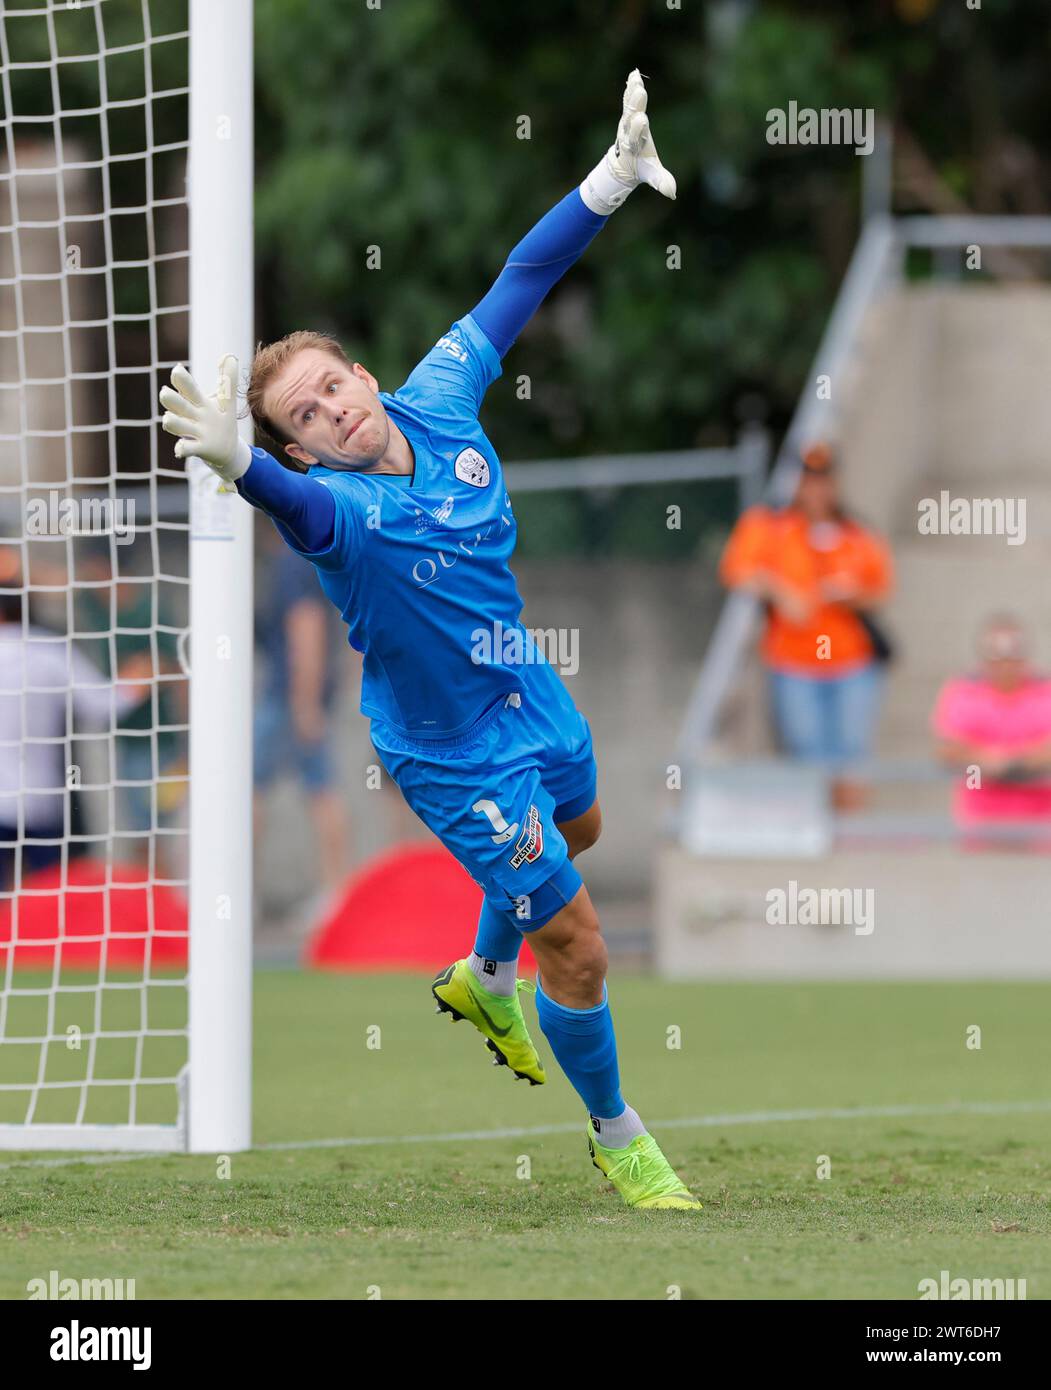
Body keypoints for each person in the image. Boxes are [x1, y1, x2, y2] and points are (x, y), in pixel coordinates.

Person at [160, 73, 698, 1210]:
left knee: (588, 823)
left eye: (328, 386)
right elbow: (288, 508)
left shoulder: (439, 395)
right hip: (451, 752)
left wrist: (608, 179)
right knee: (586, 948)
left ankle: (485, 974)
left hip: (524, 688)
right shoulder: (336, 513)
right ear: (303, 449)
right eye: (301, 418)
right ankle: (619, 1135)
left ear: (362, 373)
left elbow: (521, 277)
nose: (329, 410)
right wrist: (240, 462)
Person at [719, 442, 894, 811]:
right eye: (808, 481)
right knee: (806, 751)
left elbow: (881, 590)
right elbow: (737, 569)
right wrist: (781, 591)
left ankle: (848, 831)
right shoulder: (769, 526)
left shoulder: (857, 533)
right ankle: (819, 834)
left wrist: (849, 596)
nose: (815, 490)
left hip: (851, 662)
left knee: (851, 755)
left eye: (823, 481)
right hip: (793, 661)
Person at [0, 552, 152, 891]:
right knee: (49, 905)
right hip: (38, 799)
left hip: (30, 801)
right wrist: (137, 679)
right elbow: (103, 705)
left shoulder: (48, 651)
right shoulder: (49, 652)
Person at [253, 521, 350, 924]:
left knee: (256, 790)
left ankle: (334, 892)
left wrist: (305, 703)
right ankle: (333, 892)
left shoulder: (293, 563)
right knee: (316, 790)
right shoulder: (296, 561)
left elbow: (306, 631)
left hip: (290, 697)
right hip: (294, 696)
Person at [932, 614, 1051, 846]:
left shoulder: (1045, 690)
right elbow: (948, 749)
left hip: (1042, 822)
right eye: (998, 657)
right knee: (972, 776)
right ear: (984, 658)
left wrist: (1012, 762)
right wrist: (991, 760)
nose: (1006, 665)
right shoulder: (963, 690)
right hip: (979, 819)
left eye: (1013, 656)